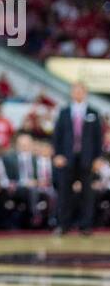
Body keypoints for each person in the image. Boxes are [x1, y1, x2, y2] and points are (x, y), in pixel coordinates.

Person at [53, 82, 103, 236]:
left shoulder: (93, 113)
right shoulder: (64, 112)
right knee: (64, 193)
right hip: (67, 157)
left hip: (87, 158)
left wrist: (98, 158)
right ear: (71, 93)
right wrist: (57, 154)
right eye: (75, 90)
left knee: (87, 194)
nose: (78, 93)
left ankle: (86, 225)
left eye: (81, 90)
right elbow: (57, 136)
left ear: (85, 93)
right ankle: (63, 225)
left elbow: (98, 138)